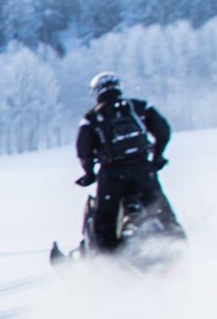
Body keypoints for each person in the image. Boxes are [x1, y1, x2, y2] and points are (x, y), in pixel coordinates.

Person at [74, 73, 179, 253]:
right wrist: (157, 156)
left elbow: (83, 149)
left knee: (105, 220)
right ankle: (179, 246)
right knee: (161, 209)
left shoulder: (91, 118)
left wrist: (89, 172)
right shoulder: (139, 107)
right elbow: (163, 130)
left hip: (111, 174)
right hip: (142, 169)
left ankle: (107, 260)